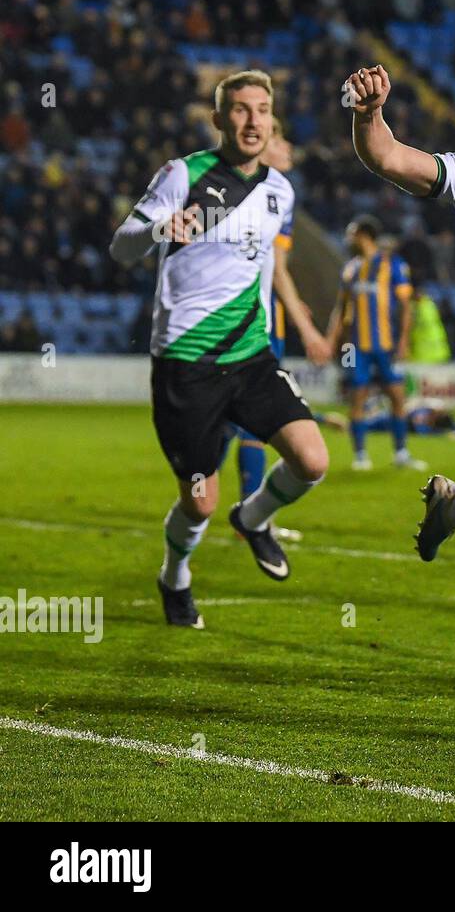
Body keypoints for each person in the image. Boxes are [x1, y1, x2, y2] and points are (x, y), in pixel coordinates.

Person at [110, 70, 330, 629]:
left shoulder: (280, 189)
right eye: (239, 109)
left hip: (251, 358)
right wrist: (159, 228)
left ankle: (254, 517)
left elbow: (268, 268)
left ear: (272, 117)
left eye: (261, 109)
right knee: (199, 503)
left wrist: (300, 323)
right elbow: (121, 247)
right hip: (187, 367)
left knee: (311, 461)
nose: (252, 120)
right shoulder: (183, 175)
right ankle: (174, 577)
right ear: (218, 119)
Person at [223, 118, 330, 544]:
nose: (288, 148)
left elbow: (274, 270)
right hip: (251, 326)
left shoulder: (275, 196)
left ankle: (246, 513)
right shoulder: (250, 195)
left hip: (264, 322)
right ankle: (251, 517)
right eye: (281, 140)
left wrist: (293, 311)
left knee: (239, 425)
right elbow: (277, 271)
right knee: (252, 425)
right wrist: (310, 331)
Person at [324, 215, 427, 472]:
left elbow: (405, 306)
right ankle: (360, 455)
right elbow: (341, 309)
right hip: (356, 347)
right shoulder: (351, 268)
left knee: (397, 396)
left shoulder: (393, 265)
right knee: (356, 397)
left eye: (351, 233)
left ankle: (401, 453)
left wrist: (403, 340)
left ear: (364, 235)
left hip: (387, 345)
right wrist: (330, 340)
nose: (348, 239)